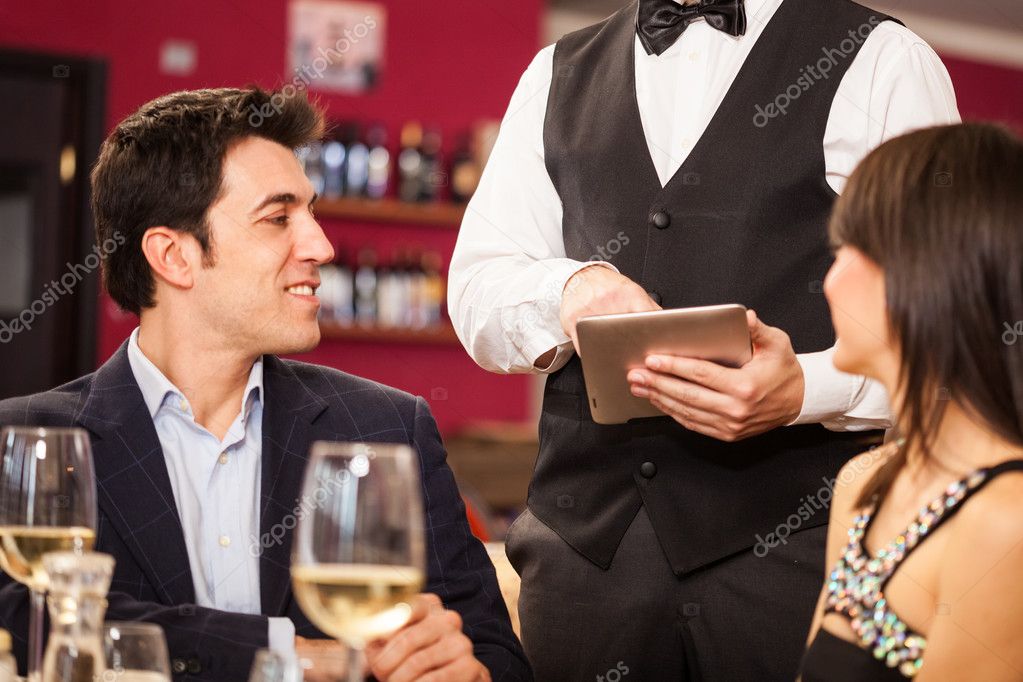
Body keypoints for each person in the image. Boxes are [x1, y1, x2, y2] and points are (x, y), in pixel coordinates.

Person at [448, 0, 959, 679]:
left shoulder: (881, 60)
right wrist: (569, 290)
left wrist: (805, 389)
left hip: (796, 557)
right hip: (584, 561)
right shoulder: (555, 71)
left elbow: (952, 327)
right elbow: (478, 287)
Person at [0, 87, 530, 682]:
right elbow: (25, 619)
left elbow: (496, 655)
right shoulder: (25, 439)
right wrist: (292, 654)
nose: (321, 246)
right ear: (172, 255)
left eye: (312, 213)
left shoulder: (388, 427)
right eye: (279, 218)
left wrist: (468, 671)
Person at [800, 123, 1023, 680]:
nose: (829, 279)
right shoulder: (864, 482)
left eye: (849, 249)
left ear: (925, 273)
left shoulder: (1007, 521)